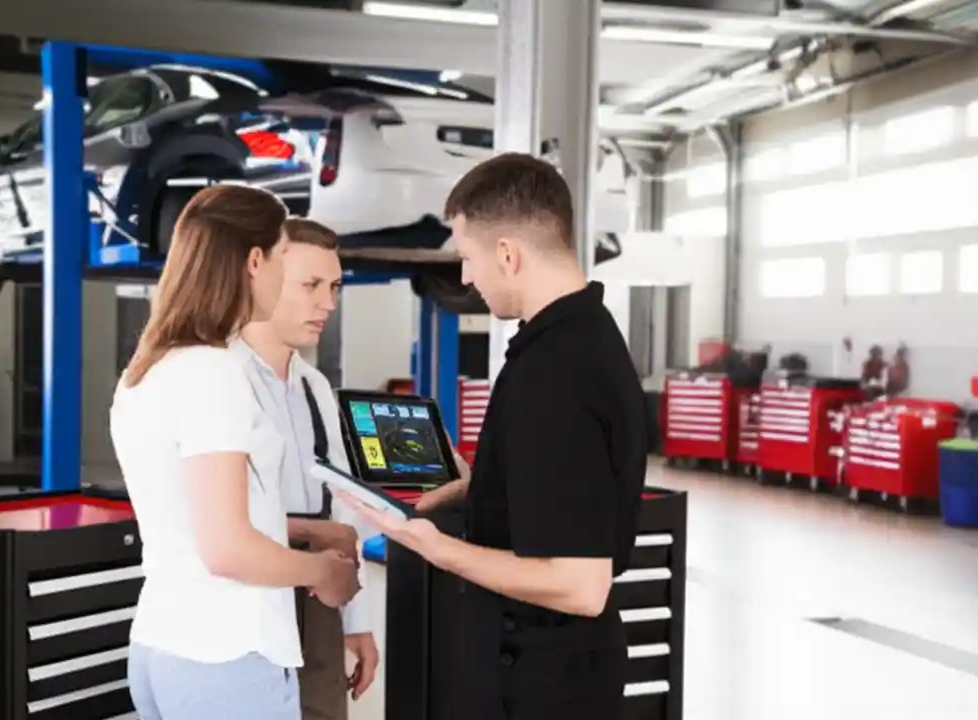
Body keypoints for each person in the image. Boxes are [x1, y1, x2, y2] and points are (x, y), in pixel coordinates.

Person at [343, 153, 647, 720]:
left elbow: (581, 586)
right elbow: (573, 487)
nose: (465, 277)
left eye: (466, 257)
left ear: (507, 253)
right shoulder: (579, 339)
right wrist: (477, 485)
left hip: (545, 689)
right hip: (556, 673)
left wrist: (440, 548)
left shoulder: (556, 372)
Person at [110, 186, 360, 720]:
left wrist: (311, 531)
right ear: (255, 261)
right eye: (281, 258)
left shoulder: (149, 369)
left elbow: (194, 516)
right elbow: (226, 549)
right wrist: (322, 572)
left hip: (164, 644)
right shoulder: (214, 372)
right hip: (228, 654)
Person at [228, 218, 379, 720]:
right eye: (311, 286)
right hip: (245, 594)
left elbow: (342, 513)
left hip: (318, 600)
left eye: (334, 287)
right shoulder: (217, 377)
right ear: (261, 276)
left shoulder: (315, 388)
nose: (328, 303)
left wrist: (354, 619)